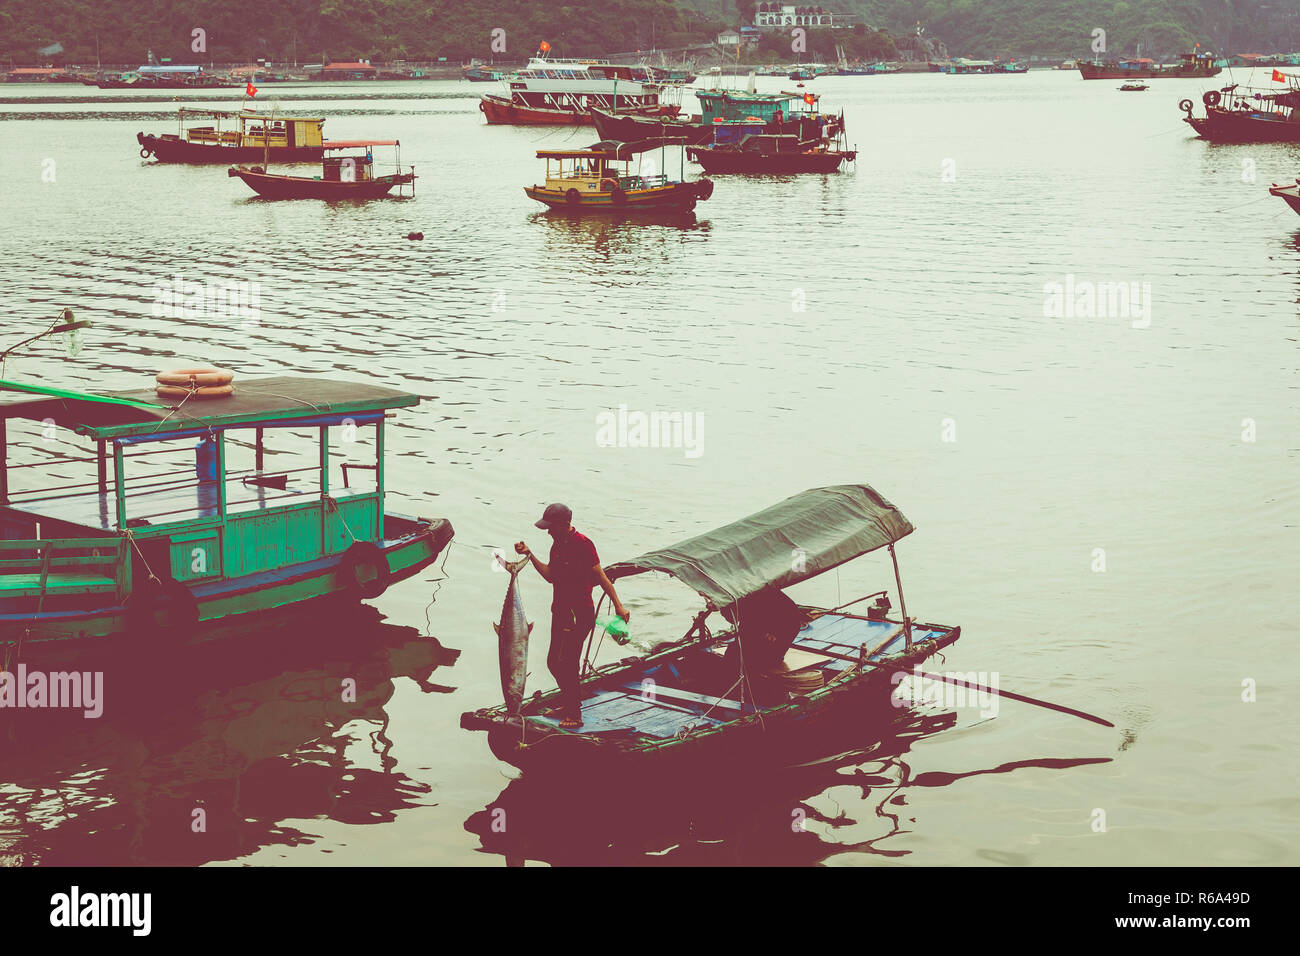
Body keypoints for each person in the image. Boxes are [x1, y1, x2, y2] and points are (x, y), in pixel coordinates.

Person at [515, 503, 629, 729]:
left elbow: (602, 577)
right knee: (552, 662)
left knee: (567, 663)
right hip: (560, 611)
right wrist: (530, 555)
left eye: (551, 527)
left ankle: (574, 713)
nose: (548, 531)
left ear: (564, 524)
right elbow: (550, 575)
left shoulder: (584, 544)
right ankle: (568, 702)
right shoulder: (556, 546)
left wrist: (618, 606)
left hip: (579, 614)